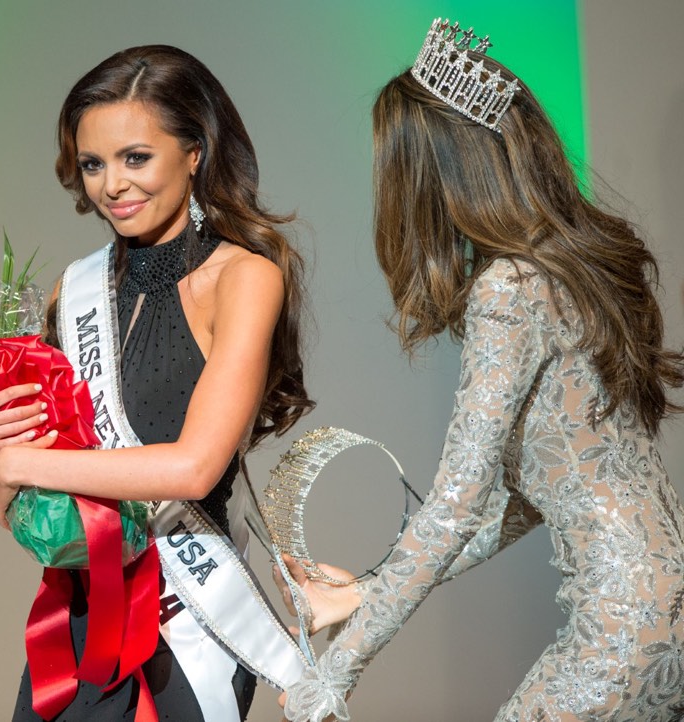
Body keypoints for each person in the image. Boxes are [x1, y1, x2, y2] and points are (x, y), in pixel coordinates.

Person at [279, 18, 684, 722]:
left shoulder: (508, 289)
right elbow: (524, 500)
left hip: (622, 627)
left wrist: (338, 670)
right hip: (666, 612)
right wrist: (365, 593)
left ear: (431, 175)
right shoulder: (571, 269)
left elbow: (457, 502)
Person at [0, 44, 314, 721]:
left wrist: (23, 464)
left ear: (194, 152)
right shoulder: (75, 291)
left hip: (187, 626)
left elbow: (194, 468)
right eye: (93, 164)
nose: (112, 185)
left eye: (135, 157)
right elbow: (21, 512)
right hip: (80, 626)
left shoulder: (243, 278)